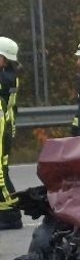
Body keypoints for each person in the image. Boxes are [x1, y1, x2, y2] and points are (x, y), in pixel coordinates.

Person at [0, 37, 21, 230]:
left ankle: (11, 213)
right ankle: (5, 211)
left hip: (1, 129)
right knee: (2, 171)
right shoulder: (10, 75)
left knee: (0, 173)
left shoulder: (4, 78)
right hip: (5, 129)